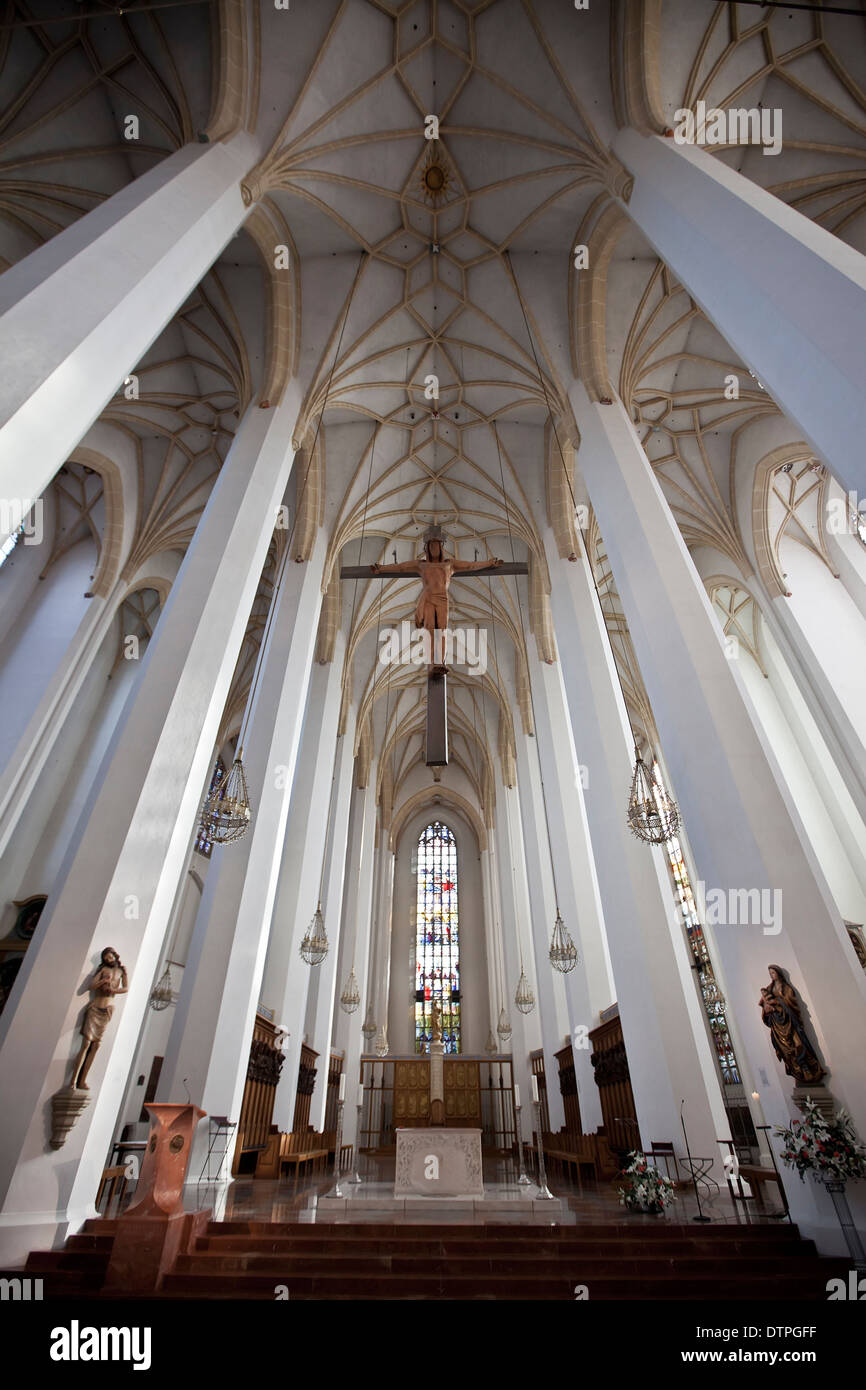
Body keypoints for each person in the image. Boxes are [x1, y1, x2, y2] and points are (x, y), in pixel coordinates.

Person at [371, 530, 502, 670]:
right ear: (427, 549)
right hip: (427, 598)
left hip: (442, 598)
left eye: (436, 546)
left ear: (441, 548)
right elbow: (401, 567)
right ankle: (432, 663)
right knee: (430, 630)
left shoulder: (449, 564)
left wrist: (488, 563)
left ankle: (440, 662)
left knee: (442, 631)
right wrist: (382, 569)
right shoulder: (421, 565)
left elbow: (470, 565)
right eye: (431, 546)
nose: (434, 549)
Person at [70, 947, 128, 1090]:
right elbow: (91, 986)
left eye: (111, 957)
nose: (109, 959)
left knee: (96, 1045)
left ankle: (82, 1081)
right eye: (106, 958)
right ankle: (73, 1080)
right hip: (96, 1007)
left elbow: (126, 988)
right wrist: (103, 982)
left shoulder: (122, 971)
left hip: (107, 1009)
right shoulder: (103, 970)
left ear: (115, 956)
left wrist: (114, 990)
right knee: (86, 1044)